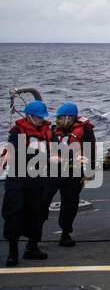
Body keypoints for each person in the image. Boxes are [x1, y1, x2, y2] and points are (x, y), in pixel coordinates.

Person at [4, 101, 54, 266]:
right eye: (39, 118)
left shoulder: (48, 132)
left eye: (42, 118)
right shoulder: (17, 132)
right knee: (14, 213)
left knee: (38, 212)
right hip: (18, 180)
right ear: (30, 116)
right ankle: (13, 252)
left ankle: (32, 247)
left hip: (38, 179)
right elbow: (17, 155)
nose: (41, 120)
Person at [46, 102, 96, 247]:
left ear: (69, 118)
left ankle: (65, 233)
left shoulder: (85, 131)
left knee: (70, 203)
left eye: (60, 118)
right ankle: (33, 236)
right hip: (54, 171)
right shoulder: (54, 130)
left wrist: (89, 172)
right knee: (42, 201)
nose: (57, 121)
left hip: (74, 172)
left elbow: (90, 151)